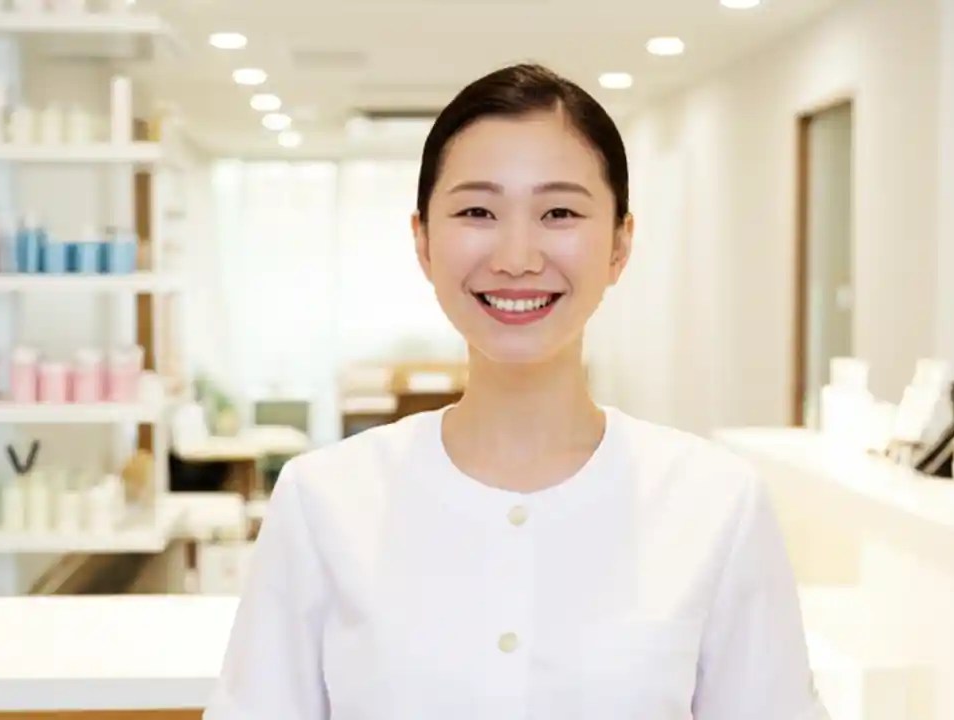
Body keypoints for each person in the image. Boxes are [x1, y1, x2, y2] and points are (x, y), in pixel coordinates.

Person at [206, 63, 826, 720]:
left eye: (559, 211)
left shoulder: (716, 505)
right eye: (477, 211)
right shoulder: (322, 501)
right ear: (422, 241)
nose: (517, 256)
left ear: (620, 244)